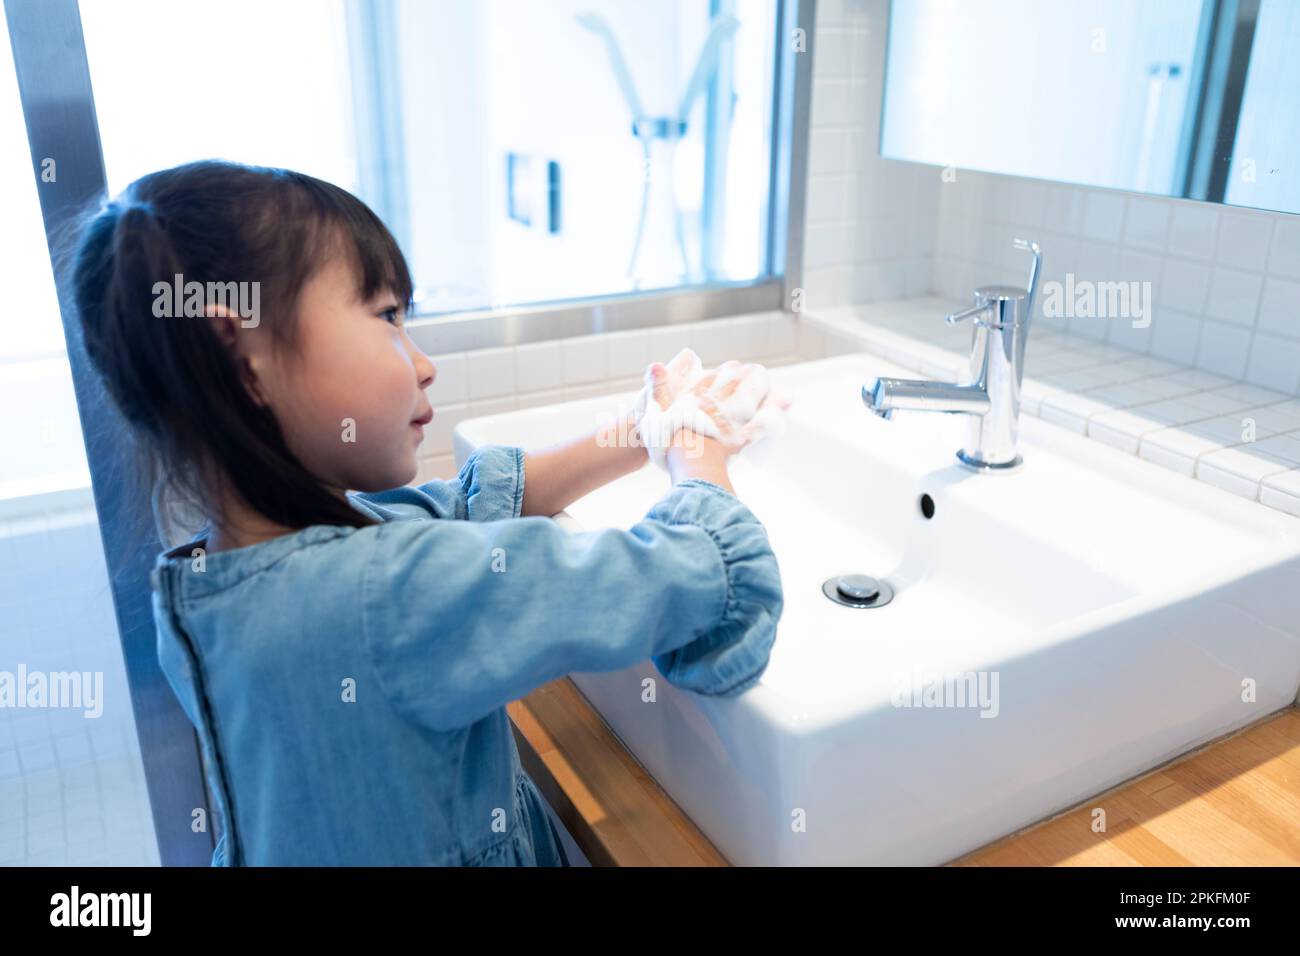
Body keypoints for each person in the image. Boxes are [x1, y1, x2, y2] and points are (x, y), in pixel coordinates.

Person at [70, 159, 784, 865]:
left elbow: (452, 514)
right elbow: (688, 576)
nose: (423, 363)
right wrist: (698, 451)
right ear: (243, 353)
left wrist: (641, 429)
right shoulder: (384, 598)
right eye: (387, 317)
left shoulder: (221, 576)